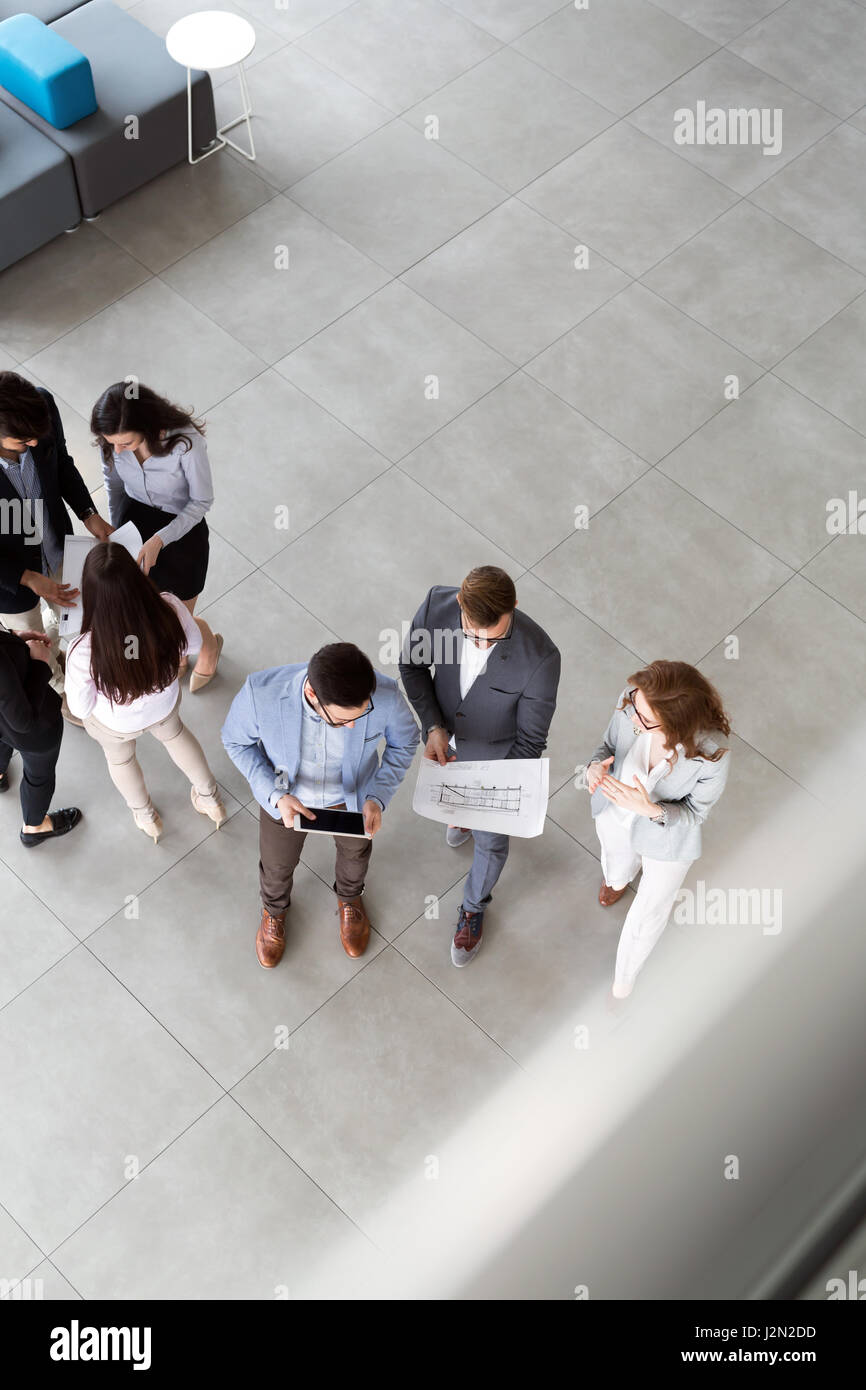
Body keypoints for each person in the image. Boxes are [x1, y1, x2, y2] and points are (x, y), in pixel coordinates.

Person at [399, 566, 560, 967]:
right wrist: (433, 725)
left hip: (496, 760)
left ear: (515, 607)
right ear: (459, 605)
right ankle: (460, 816)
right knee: (452, 804)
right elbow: (412, 667)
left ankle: (474, 906)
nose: (483, 643)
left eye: (495, 636)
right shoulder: (437, 606)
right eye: (473, 634)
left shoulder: (541, 657)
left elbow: (530, 741)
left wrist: (491, 793)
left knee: (492, 842)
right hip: (446, 742)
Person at [222, 642, 419, 969]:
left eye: (362, 714)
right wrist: (274, 795)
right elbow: (235, 741)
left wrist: (377, 797)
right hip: (285, 801)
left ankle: (350, 897)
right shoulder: (261, 693)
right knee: (276, 865)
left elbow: (406, 741)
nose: (354, 726)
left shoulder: (383, 694)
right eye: (343, 720)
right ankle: (274, 910)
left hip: (354, 800)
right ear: (313, 694)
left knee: (356, 855)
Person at [585, 661, 732, 999]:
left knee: (649, 913)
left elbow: (695, 812)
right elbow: (607, 744)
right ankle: (618, 879)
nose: (633, 718)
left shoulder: (711, 754)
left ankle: (623, 983)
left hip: (667, 836)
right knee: (615, 857)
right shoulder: (634, 700)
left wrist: (651, 810)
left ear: (675, 723)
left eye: (645, 719)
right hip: (617, 812)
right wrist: (594, 768)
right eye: (635, 705)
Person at [64, 542, 226, 844]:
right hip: (163, 703)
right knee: (177, 736)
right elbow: (191, 646)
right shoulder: (169, 606)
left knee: (121, 761)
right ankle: (211, 799)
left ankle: (147, 817)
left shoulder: (83, 650)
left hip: (117, 722)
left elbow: (80, 707)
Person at [90, 382, 222, 692]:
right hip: (136, 524)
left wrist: (160, 539)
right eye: (112, 444)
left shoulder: (185, 442)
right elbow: (115, 487)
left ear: (147, 426)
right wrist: (116, 529)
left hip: (181, 530)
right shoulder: (113, 443)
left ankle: (208, 646)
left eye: (127, 442)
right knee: (148, 614)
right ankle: (177, 656)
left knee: (176, 618)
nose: (117, 450)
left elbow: (201, 503)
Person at [0, 371, 112, 690]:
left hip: (56, 547)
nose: (34, 443)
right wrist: (27, 577)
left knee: (81, 618)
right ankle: (60, 690)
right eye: (23, 441)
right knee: (35, 648)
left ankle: (82, 670)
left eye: (37, 435)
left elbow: (61, 463)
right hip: (11, 584)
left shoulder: (43, 405)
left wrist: (88, 513)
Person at [0, 624, 82, 846]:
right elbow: (22, 720)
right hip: (32, 730)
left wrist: (12, 638)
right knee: (39, 775)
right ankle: (34, 826)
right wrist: (40, 662)